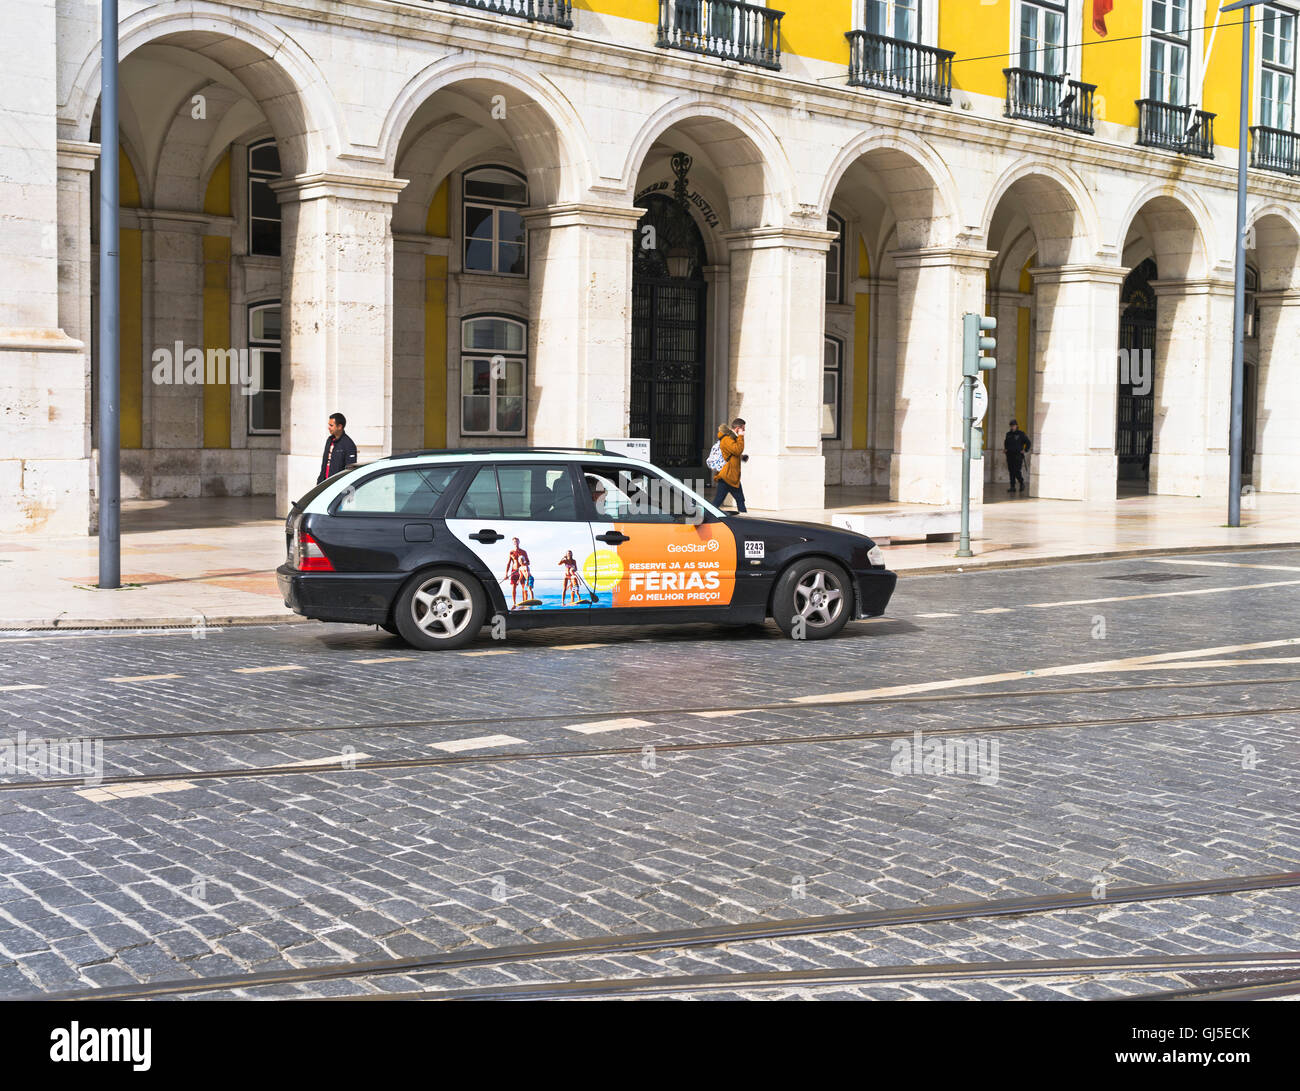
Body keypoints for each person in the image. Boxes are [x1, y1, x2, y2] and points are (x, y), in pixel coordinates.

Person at [712, 418, 748, 513]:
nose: (744, 431)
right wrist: (741, 436)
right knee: (719, 501)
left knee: (739, 499)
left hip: (731, 476)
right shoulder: (727, 439)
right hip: (727, 476)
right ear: (737, 428)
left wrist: (741, 457)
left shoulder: (731, 438)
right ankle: (746, 521)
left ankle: (745, 520)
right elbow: (737, 450)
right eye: (743, 429)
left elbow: (733, 453)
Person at [317, 412, 358, 483]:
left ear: (339, 426)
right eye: (328, 425)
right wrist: (319, 482)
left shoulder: (349, 445)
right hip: (324, 483)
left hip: (337, 485)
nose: (328, 427)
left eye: (331, 425)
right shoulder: (329, 440)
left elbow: (350, 471)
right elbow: (324, 464)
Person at [1004, 419, 1032, 494]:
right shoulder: (1008, 434)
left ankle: (1021, 483)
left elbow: (1028, 442)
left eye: (1013, 425)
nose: (1012, 427)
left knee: (1016, 470)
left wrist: (1025, 450)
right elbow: (1006, 443)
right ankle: (1012, 487)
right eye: (1011, 426)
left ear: (1017, 426)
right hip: (1009, 455)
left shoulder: (1021, 434)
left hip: (1018, 455)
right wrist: (1005, 449)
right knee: (1011, 471)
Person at [504, 537, 532, 608]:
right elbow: (508, 563)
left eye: (517, 541)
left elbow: (528, 562)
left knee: (524, 587)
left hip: (522, 571)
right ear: (513, 543)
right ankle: (514, 603)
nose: (516, 542)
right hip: (514, 571)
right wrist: (506, 574)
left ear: (519, 542)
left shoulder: (523, 552)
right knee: (514, 587)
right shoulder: (511, 552)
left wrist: (523, 565)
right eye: (514, 541)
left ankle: (525, 602)